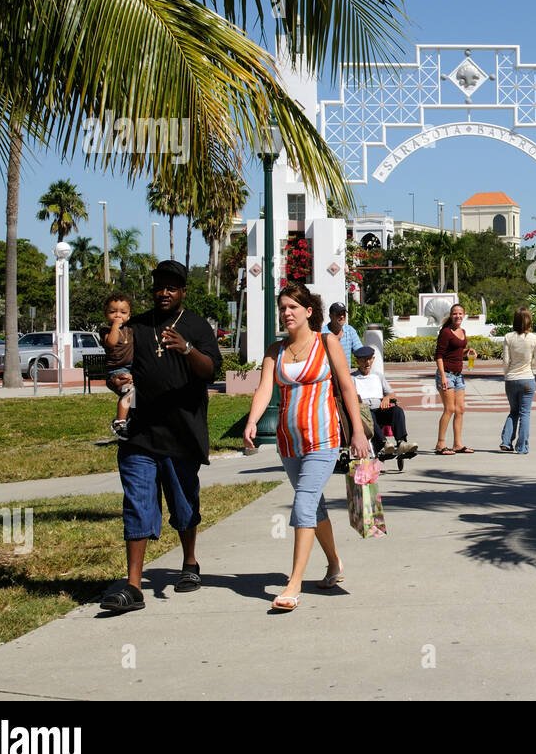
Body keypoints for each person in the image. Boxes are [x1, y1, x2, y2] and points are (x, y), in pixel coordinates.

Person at [100, 260, 222, 614]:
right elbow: (115, 367)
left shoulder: (196, 326)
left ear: (183, 291)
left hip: (183, 432)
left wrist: (187, 349)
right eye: (159, 287)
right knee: (137, 503)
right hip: (141, 433)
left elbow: (210, 370)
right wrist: (116, 383)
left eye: (172, 287)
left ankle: (190, 562)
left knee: (184, 506)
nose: (164, 292)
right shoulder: (137, 326)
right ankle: (133, 587)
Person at [243, 284, 367, 612]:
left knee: (303, 503)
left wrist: (358, 432)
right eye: (283, 308)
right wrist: (252, 421)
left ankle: (294, 583)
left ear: (308, 311)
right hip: (288, 443)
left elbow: (347, 388)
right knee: (314, 505)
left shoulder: (328, 344)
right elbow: (264, 389)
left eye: (293, 307)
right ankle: (335, 563)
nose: (286, 313)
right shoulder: (275, 351)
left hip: (323, 440)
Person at [354, 345, 418, 460]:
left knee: (397, 411)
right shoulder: (352, 378)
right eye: (363, 360)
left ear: (373, 359)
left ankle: (401, 442)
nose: (367, 363)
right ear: (357, 361)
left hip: (379, 410)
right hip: (363, 413)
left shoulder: (378, 376)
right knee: (368, 413)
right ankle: (383, 444)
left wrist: (386, 398)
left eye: (369, 359)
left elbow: (391, 394)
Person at [499, 307, 536, 454]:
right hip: (527, 380)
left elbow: (506, 361)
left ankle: (506, 442)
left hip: (511, 380)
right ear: (529, 321)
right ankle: (522, 447)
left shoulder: (508, 337)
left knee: (514, 411)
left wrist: (507, 375)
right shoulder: (535, 339)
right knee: (525, 413)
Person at [434, 303, 472, 455]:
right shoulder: (445, 332)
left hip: (458, 376)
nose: (458, 316)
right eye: (455, 313)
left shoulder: (462, 331)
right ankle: (440, 444)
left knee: (460, 409)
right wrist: (443, 376)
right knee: (449, 409)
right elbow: (439, 355)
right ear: (451, 315)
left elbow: (456, 352)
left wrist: (467, 352)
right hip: (447, 375)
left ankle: (457, 444)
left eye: (460, 313)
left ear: (464, 315)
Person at [99, 291, 135, 440]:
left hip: (133, 367)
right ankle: (119, 422)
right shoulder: (106, 331)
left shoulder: (131, 329)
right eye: (113, 312)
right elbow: (111, 343)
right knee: (129, 390)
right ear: (106, 314)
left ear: (129, 315)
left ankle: (133, 421)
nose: (118, 315)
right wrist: (115, 326)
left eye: (122, 312)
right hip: (116, 370)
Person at [323, 301, 366, 370]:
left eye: (344, 313)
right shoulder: (322, 333)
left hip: (346, 376)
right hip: (328, 377)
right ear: (330, 316)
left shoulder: (350, 331)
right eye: (338, 314)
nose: (342, 316)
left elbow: (360, 352)